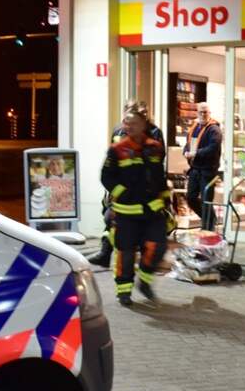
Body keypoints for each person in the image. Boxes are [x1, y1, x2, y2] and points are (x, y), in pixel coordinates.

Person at [101, 109, 169, 306]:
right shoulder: (117, 150)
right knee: (126, 253)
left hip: (152, 211)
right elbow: (106, 177)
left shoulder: (154, 147)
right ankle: (124, 291)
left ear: (144, 125)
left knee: (158, 247)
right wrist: (124, 192)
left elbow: (159, 177)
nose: (130, 127)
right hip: (126, 212)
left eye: (134, 123)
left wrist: (165, 199)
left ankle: (145, 282)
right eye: (127, 123)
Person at [87, 100, 165, 267]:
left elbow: (157, 161)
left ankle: (139, 263)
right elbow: (112, 156)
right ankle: (105, 253)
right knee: (109, 217)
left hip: (141, 191)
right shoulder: (118, 130)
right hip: (120, 188)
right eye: (127, 114)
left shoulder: (154, 133)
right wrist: (116, 187)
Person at [183, 101, 222, 231]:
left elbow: (213, 148)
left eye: (205, 112)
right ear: (197, 113)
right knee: (191, 198)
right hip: (195, 169)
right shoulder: (195, 127)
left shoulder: (214, 129)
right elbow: (188, 143)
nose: (203, 114)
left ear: (209, 113)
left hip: (208, 171)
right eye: (201, 112)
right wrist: (186, 151)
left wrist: (195, 153)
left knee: (206, 201)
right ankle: (210, 218)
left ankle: (207, 229)